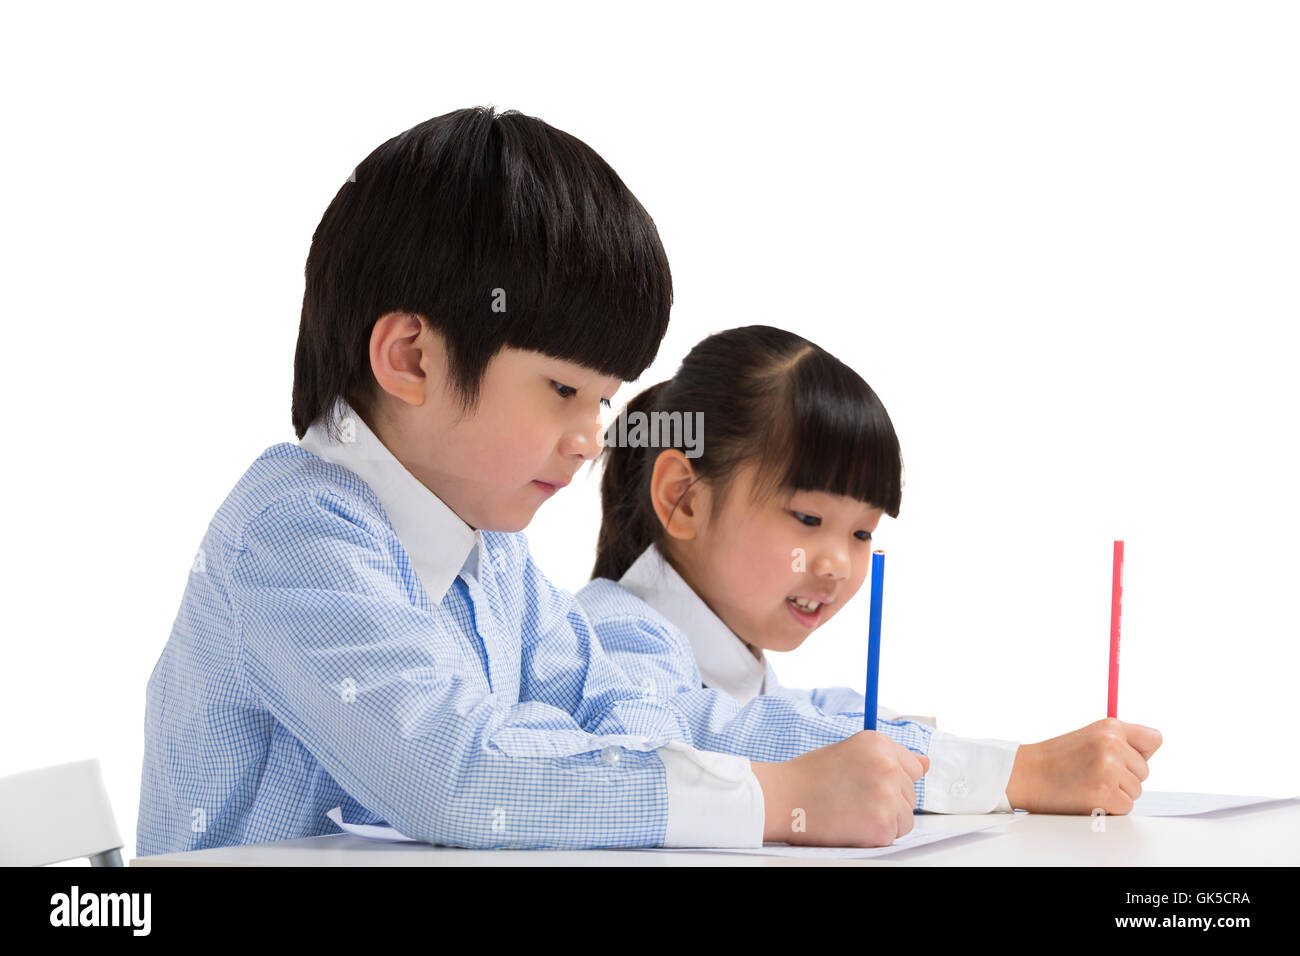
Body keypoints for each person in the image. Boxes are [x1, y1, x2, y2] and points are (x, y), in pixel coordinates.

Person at [136, 108, 928, 856]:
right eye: (562, 392)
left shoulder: (492, 559)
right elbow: (456, 775)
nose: (591, 441)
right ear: (412, 358)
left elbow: (635, 714)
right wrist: (771, 798)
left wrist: (878, 769)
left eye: (605, 401)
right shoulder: (293, 533)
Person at [578, 324, 1163, 815]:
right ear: (685, 500)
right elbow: (716, 739)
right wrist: (1022, 774)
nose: (836, 564)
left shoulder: (738, 667)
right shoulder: (609, 636)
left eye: (862, 533)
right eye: (808, 517)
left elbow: (813, 715)